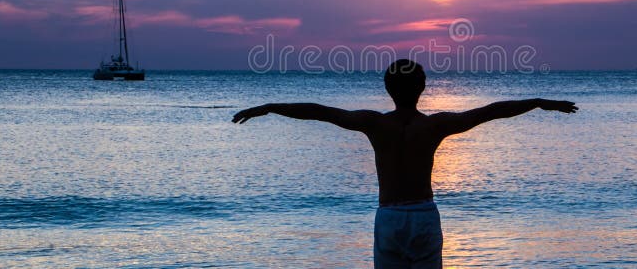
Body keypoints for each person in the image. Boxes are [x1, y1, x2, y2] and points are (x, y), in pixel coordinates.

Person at [232, 59, 578, 268]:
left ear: (387, 88)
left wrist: (270, 107)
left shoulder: (374, 123)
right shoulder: (435, 125)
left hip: (390, 217)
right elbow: (489, 111)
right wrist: (537, 101)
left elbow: (320, 112)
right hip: (424, 215)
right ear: (423, 87)